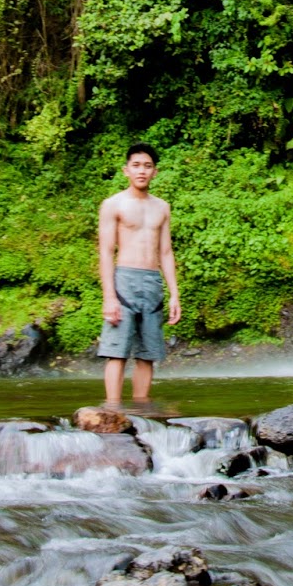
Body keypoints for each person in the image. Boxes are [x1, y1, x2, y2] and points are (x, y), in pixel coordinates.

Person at [96, 143, 181, 406]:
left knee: (148, 353)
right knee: (117, 351)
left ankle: (143, 412)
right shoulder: (113, 205)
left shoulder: (162, 207)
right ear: (126, 170)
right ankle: (112, 409)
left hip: (152, 282)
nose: (141, 171)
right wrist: (109, 296)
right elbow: (106, 251)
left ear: (155, 172)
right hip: (124, 280)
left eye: (147, 166)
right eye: (136, 165)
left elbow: (166, 252)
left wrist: (174, 295)